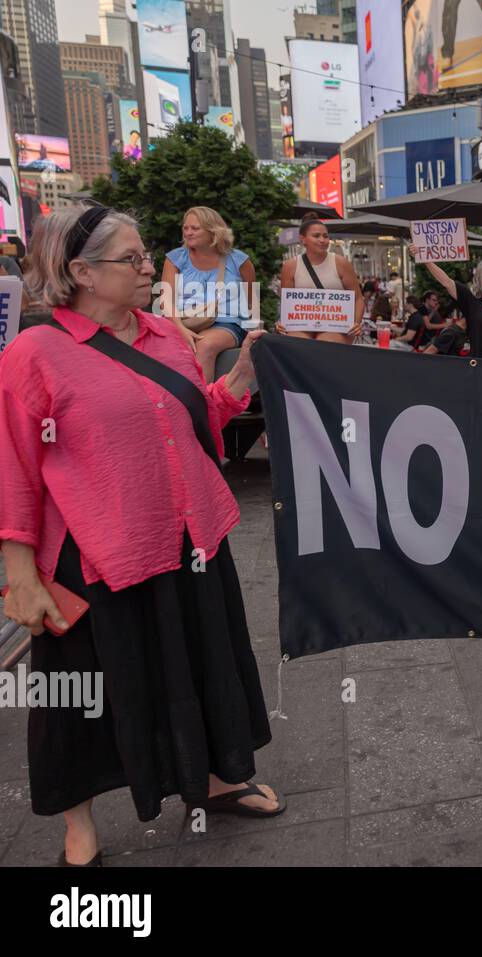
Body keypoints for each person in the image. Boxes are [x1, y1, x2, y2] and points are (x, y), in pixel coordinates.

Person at [0, 205, 283, 867]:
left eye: (144, 254)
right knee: (80, 698)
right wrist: (20, 573)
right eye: (131, 259)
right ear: (81, 272)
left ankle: (213, 778)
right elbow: (13, 467)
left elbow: (192, 421)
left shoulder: (166, 335)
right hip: (96, 552)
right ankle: (79, 827)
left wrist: (240, 377)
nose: (149, 267)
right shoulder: (34, 354)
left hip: (190, 538)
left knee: (204, 661)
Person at [159, 206, 257, 382]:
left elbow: (252, 302)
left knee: (204, 345)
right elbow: (165, 300)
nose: (188, 232)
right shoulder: (175, 258)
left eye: (195, 228)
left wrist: (254, 332)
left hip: (226, 323)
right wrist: (181, 329)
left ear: (213, 231)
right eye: (185, 228)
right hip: (183, 320)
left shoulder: (238, 260)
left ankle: (203, 406)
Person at [277, 213, 363, 343]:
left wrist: (356, 323)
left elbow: (358, 299)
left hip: (336, 327)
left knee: (326, 344)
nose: (322, 240)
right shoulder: (290, 266)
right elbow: (287, 303)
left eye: (325, 236)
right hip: (301, 325)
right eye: (316, 236)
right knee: (295, 343)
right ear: (303, 239)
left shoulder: (341, 263)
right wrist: (282, 322)